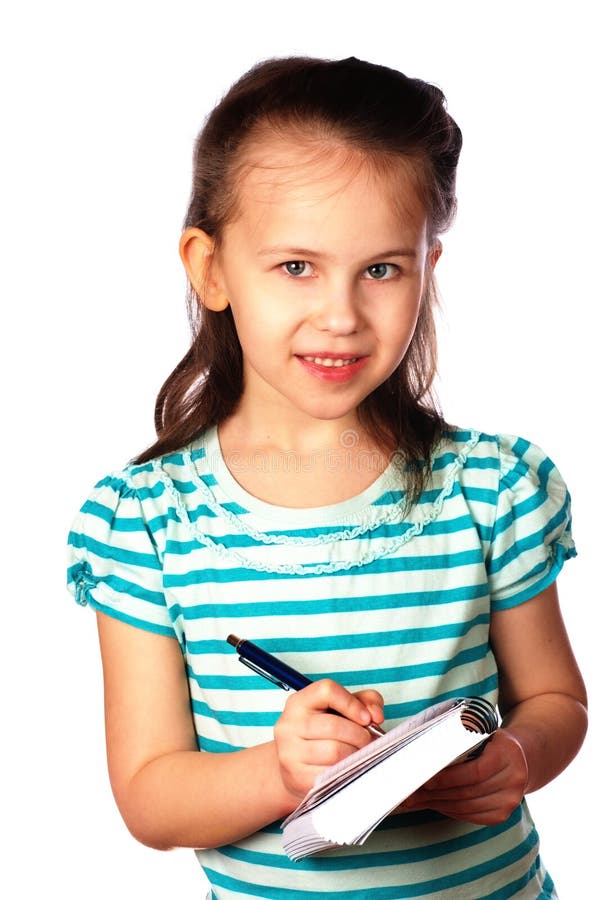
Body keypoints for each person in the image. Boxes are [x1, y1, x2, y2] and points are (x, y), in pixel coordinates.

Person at [67, 56, 587, 898]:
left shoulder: (492, 488)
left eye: (382, 269)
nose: (342, 315)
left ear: (429, 265)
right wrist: (282, 770)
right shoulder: (146, 521)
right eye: (296, 267)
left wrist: (517, 756)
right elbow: (151, 799)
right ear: (209, 268)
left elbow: (557, 699)